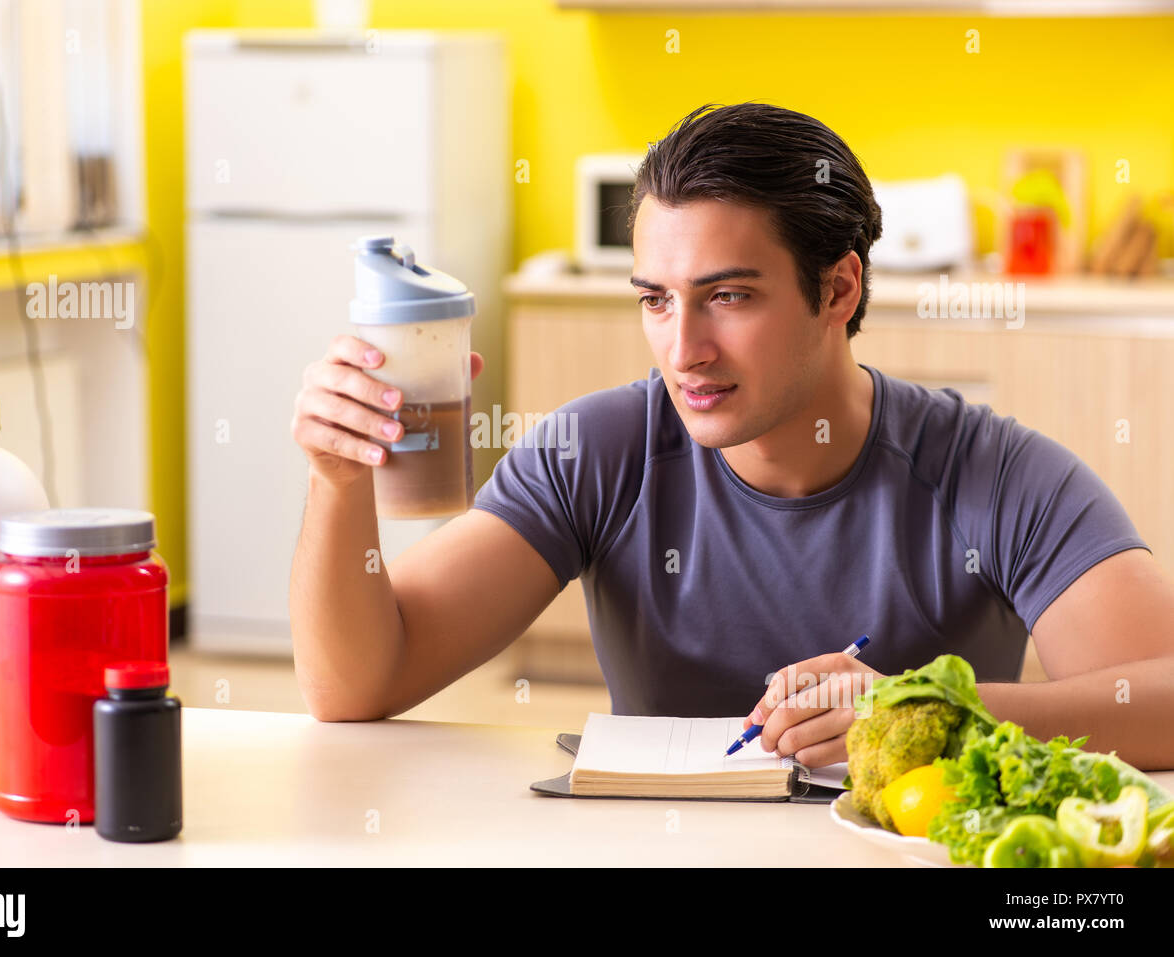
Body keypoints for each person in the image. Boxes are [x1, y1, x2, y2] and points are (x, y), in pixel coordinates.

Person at [289, 102, 1174, 770]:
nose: (684, 351)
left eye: (730, 295)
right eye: (656, 299)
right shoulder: (594, 453)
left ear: (838, 291)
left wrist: (934, 708)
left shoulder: (995, 473)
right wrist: (336, 481)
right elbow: (357, 682)